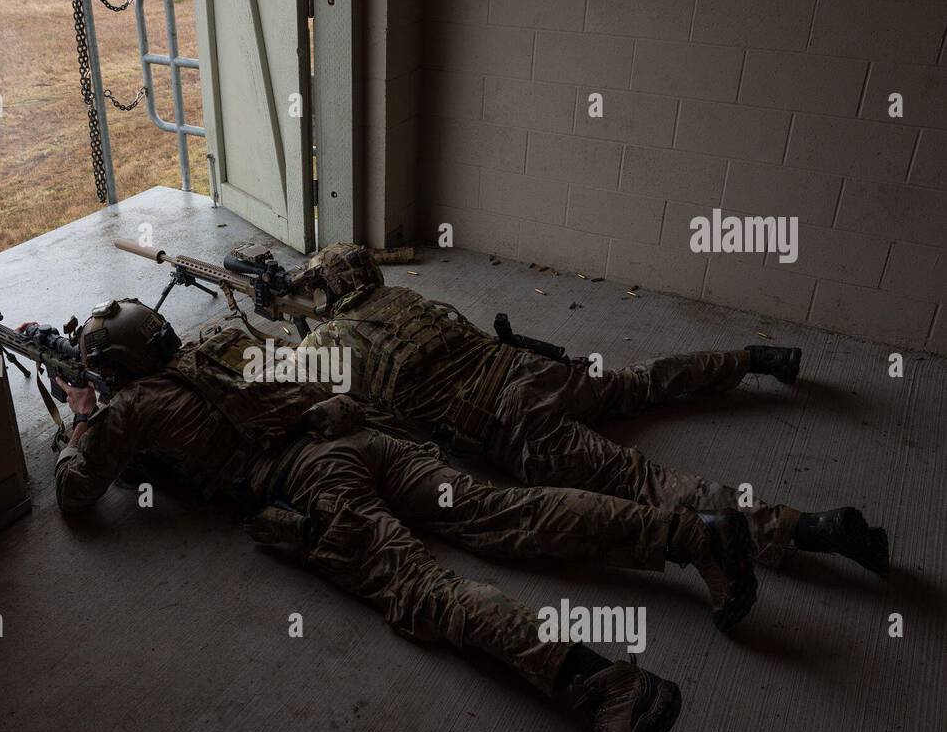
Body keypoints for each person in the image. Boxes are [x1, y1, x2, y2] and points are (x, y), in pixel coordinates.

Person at [51, 297, 758, 732]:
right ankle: (690, 536)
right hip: (358, 431)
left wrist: (83, 424)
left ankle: (610, 686)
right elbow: (302, 370)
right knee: (499, 509)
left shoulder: (130, 410)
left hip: (308, 480)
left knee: (427, 593)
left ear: (113, 371)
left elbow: (77, 495)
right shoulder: (218, 338)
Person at [293, 243, 889, 577]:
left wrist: (297, 326)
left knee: (643, 481)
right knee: (640, 382)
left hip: (513, 422)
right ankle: (751, 357)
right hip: (538, 372)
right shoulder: (402, 294)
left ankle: (803, 528)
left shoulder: (328, 344)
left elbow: (304, 392)